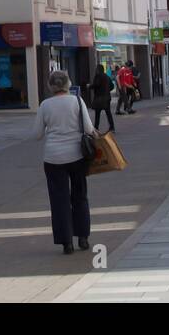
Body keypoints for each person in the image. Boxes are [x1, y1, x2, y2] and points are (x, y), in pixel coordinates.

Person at [33, 71, 97, 254]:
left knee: (59, 200)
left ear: (50, 85)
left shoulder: (45, 105)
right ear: (68, 83)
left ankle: (66, 242)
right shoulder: (77, 101)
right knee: (80, 196)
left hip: (53, 158)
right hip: (77, 155)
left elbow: (36, 134)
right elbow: (87, 128)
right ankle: (83, 237)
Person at [89, 63, 116, 133]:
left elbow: (96, 84)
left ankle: (96, 127)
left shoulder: (98, 76)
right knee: (108, 112)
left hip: (99, 98)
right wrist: (107, 90)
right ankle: (112, 127)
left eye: (96, 69)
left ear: (98, 70)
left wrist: (89, 86)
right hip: (107, 97)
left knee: (97, 113)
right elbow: (112, 86)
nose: (95, 70)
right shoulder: (107, 76)